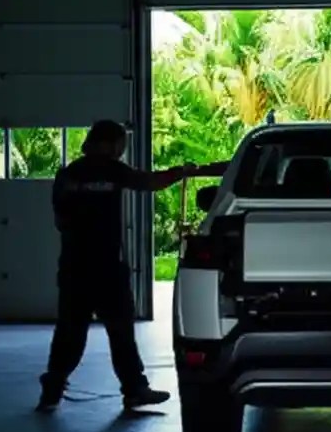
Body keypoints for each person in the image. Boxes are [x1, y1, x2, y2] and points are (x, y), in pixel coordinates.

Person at [37, 119, 227, 412]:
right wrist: (182, 172)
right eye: (120, 143)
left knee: (69, 332)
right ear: (110, 143)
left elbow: (60, 220)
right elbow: (150, 182)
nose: (122, 149)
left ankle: (52, 391)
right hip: (107, 268)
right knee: (121, 332)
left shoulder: (68, 174)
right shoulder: (112, 170)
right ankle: (135, 389)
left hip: (74, 266)